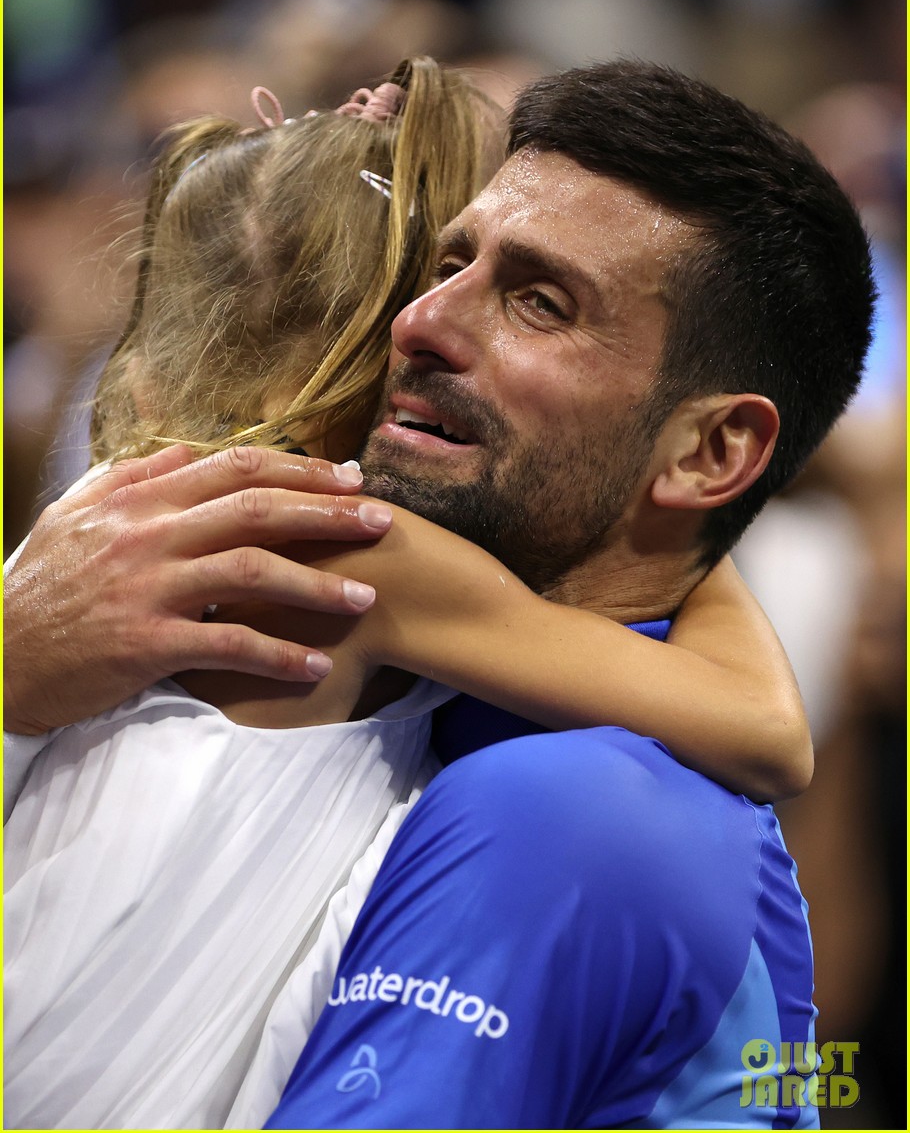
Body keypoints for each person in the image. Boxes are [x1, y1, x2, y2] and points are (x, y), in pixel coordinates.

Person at [3, 60, 874, 1128]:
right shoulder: (330, 555)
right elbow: (764, 728)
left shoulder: (556, 801)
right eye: (442, 261)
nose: (423, 320)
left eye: (539, 302)